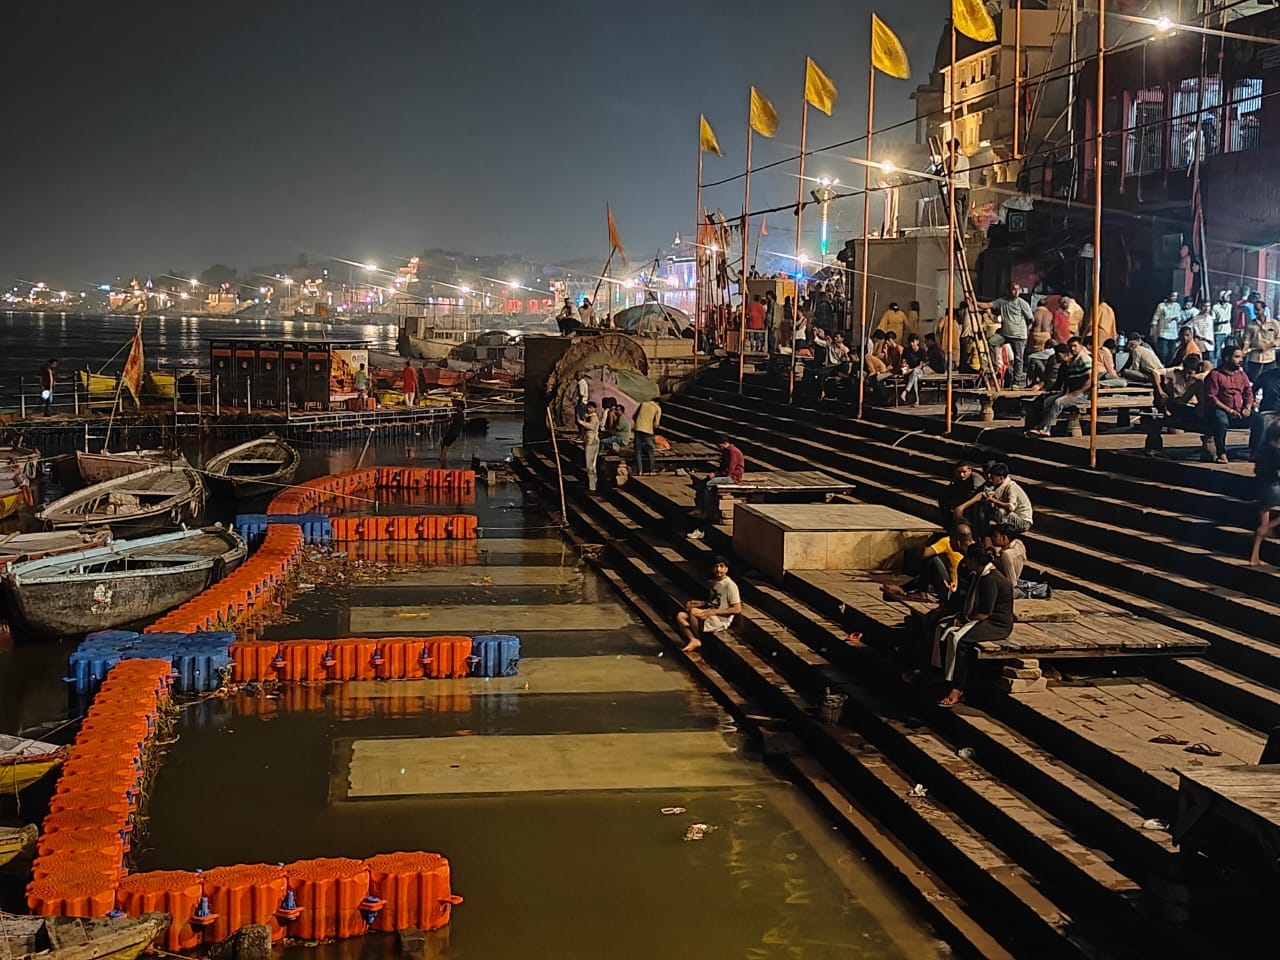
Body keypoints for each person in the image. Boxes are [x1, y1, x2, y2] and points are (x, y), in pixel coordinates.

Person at [934, 543, 1014, 707]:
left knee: (958, 639)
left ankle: (958, 688)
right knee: (942, 628)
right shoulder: (978, 574)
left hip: (996, 624)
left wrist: (964, 621)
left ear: (974, 560)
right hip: (982, 619)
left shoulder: (991, 579)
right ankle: (940, 674)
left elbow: (985, 612)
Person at [883, 523, 974, 602]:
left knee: (932, 560)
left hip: (952, 593)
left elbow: (925, 554)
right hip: (955, 589)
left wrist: (913, 544)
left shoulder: (946, 541)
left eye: (951, 540)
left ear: (957, 542)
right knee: (932, 568)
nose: (950, 542)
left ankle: (920, 592)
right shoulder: (975, 549)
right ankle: (907, 588)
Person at [1204, 346, 1264, 463]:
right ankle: (1222, 453)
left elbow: (1248, 393)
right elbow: (1212, 397)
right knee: (1220, 420)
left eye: (1241, 357)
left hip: (1239, 411)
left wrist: (1247, 407)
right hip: (1221, 410)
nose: (1240, 360)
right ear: (1227, 358)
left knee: (1259, 420)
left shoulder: (1241, 375)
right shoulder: (1215, 375)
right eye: (1237, 357)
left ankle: (1254, 452)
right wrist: (1229, 410)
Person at [1026, 337, 1092, 437]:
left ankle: (1045, 428)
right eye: (1071, 347)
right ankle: (1040, 426)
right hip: (1071, 392)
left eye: (1075, 346)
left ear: (1080, 346)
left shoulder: (1084, 358)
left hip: (1083, 394)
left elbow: (1091, 379)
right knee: (1048, 401)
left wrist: (1078, 392)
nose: (1073, 349)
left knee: (1058, 402)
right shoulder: (1072, 361)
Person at [675, 556, 743, 653]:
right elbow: (713, 601)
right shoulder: (714, 583)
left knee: (694, 612)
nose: (718, 569)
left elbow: (737, 609)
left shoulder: (730, 586)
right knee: (680, 616)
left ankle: (699, 639)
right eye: (716, 566)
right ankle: (693, 639)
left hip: (720, 619)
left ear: (726, 569)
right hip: (710, 613)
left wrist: (715, 611)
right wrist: (700, 603)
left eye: (721, 566)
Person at [688, 437, 745, 540]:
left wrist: (716, 474)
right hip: (725, 475)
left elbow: (729, 471)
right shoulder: (726, 452)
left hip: (732, 477)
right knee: (703, 482)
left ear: (725, 443)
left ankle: (707, 507)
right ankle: (699, 506)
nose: (719, 448)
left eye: (720, 445)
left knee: (710, 484)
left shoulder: (733, 452)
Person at [977, 283, 1033, 386]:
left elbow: (1030, 319)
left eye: (1017, 289)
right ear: (1008, 290)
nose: (1015, 291)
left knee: (1018, 358)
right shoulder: (1002, 302)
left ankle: (1016, 382)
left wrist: (1022, 328)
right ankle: (994, 366)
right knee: (991, 342)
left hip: (1019, 335)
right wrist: (974, 302)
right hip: (1005, 334)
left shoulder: (1022, 303)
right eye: (1013, 289)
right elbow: (988, 305)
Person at [958, 461, 1034, 533]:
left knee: (1000, 512)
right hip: (1012, 517)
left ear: (1001, 478)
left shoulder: (1011, 487)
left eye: (993, 478)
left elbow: (1011, 507)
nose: (991, 479)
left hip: (1023, 521)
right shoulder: (999, 485)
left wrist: (994, 500)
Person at [1249, 422, 1280, 566]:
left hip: (1261, 486)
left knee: (1265, 514)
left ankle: (1255, 556)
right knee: (1263, 526)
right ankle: (1266, 529)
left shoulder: (1264, 449)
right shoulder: (1277, 451)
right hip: (1273, 488)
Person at [940, 461, 985, 526]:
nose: (961, 475)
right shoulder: (958, 478)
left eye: (964, 472)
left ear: (969, 471)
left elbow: (978, 496)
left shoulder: (976, 480)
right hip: (963, 497)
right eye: (959, 472)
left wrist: (961, 507)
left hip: (975, 502)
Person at [1243, 301, 1279, 382]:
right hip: (1255, 359)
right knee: (1254, 383)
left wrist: (1268, 346)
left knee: (1271, 383)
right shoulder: (1250, 325)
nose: (1256, 312)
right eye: (1255, 310)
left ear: (1264, 309)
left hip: (1269, 360)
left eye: (1258, 309)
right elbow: (1247, 341)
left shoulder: (1274, 323)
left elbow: (1279, 338)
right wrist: (1243, 351)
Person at [1150, 292, 1183, 365]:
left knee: (1172, 353)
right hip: (1163, 333)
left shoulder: (1177, 306)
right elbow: (1155, 320)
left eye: (1176, 296)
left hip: (1174, 334)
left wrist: (1178, 321)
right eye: (1173, 296)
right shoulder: (1161, 306)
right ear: (1168, 296)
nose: (1174, 298)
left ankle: (1168, 367)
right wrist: (1154, 333)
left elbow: (1180, 319)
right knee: (1163, 353)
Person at [943, 138, 970, 228]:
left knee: (957, 217)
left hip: (957, 189)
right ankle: (962, 237)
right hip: (966, 188)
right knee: (964, 216)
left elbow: (941, 171)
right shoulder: (965, 159)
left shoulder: (951, 158)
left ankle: (960, 239)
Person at [633, 398, 661, 476]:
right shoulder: (657, 408)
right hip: (648, 431)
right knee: (650, 451)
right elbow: (656, 423)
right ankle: (651, 470)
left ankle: (640, 471)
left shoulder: (643, 404)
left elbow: (634, 416)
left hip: (638, 428)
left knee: (638, 451)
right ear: (658, 403)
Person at [577, 400, 601, 493]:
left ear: (594, 409)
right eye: (588, 407)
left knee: (589, 465)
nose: (588, 409)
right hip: (591, 441)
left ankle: (592, 486)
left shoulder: (594, 418)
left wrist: (581, 422)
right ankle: (593, 484)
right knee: (592, 465)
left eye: (591, 407)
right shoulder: (589, 416)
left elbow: (591, 426)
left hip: (592, 442)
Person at [900, 333, 928, 404]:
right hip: (909, 372)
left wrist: (911, 370)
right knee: (914, 377)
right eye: (910, 342)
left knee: (915, 371)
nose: (912, 344)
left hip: (919, 371)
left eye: (913, 342)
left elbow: (920, 365)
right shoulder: (906, 350)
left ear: (917, 342)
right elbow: (904, 361)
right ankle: (917, 400)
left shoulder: (922, 351)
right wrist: (905, 366)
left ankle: (905, 392)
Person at [439, 401, 465, 466]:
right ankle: (443, 457)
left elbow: (450, 419)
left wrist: (448, 417)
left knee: (445, 443)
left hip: (453, 432)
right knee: (444, 442)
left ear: (460, 408)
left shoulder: (459, 414)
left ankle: (442, 458)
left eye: (458, 407)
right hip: (455, 432)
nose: (456, 407)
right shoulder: (461, 414)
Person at [1212, 289, 1234, 360]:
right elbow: (1213, 320)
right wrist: (1221, 322)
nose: (1228, 298)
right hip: (1219, 332)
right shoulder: (1215, 307)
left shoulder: (1229, 306)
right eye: (1226, 296)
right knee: (1217, 352)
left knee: (1229, 351)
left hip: (1228, 332)